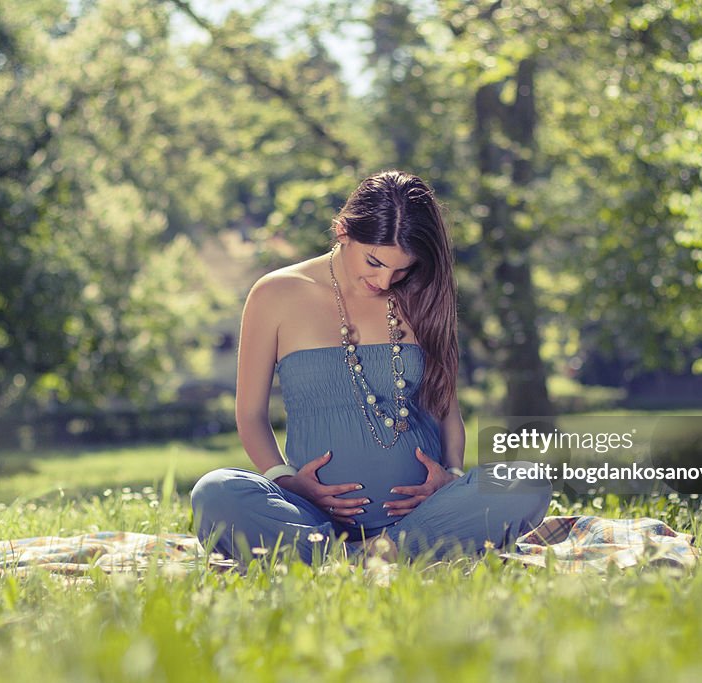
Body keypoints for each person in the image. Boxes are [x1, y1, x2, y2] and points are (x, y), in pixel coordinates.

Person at [190, 170, 551, 564]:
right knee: (216, 491)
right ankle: (365, 555)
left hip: (425, 514)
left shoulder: (421, 293)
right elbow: (251, 414)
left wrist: (449, 473)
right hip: (313, 515)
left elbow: (445, 408)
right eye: (374, 261)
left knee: (527, 480)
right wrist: (285, 479)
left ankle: (359, 558)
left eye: (401, 269)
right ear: (343, 230)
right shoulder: (276, 293)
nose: (384, 280)